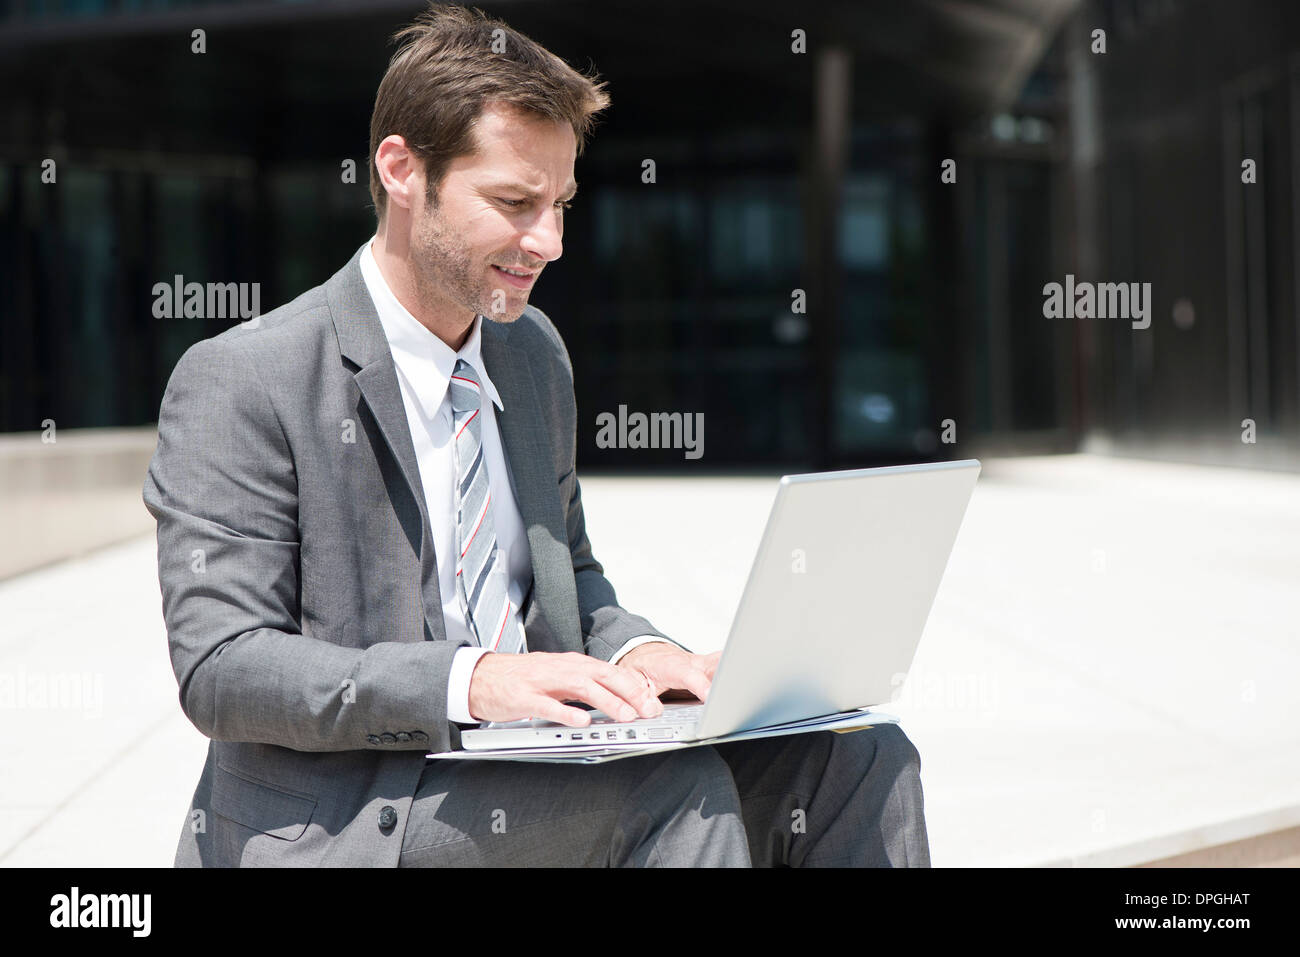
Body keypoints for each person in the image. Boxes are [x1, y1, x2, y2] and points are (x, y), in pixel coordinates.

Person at [142, 2, 930, 867]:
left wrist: (643, 650)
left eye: (560, 203)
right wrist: (473, 679)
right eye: (515, 202)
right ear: (403, 171)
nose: (548, 241)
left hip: (530, 762)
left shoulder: (529, 353)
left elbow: (569, 575)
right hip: (349, 809)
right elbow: (222, 667)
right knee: (672, 794)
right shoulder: (244, 377)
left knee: (859, 760)